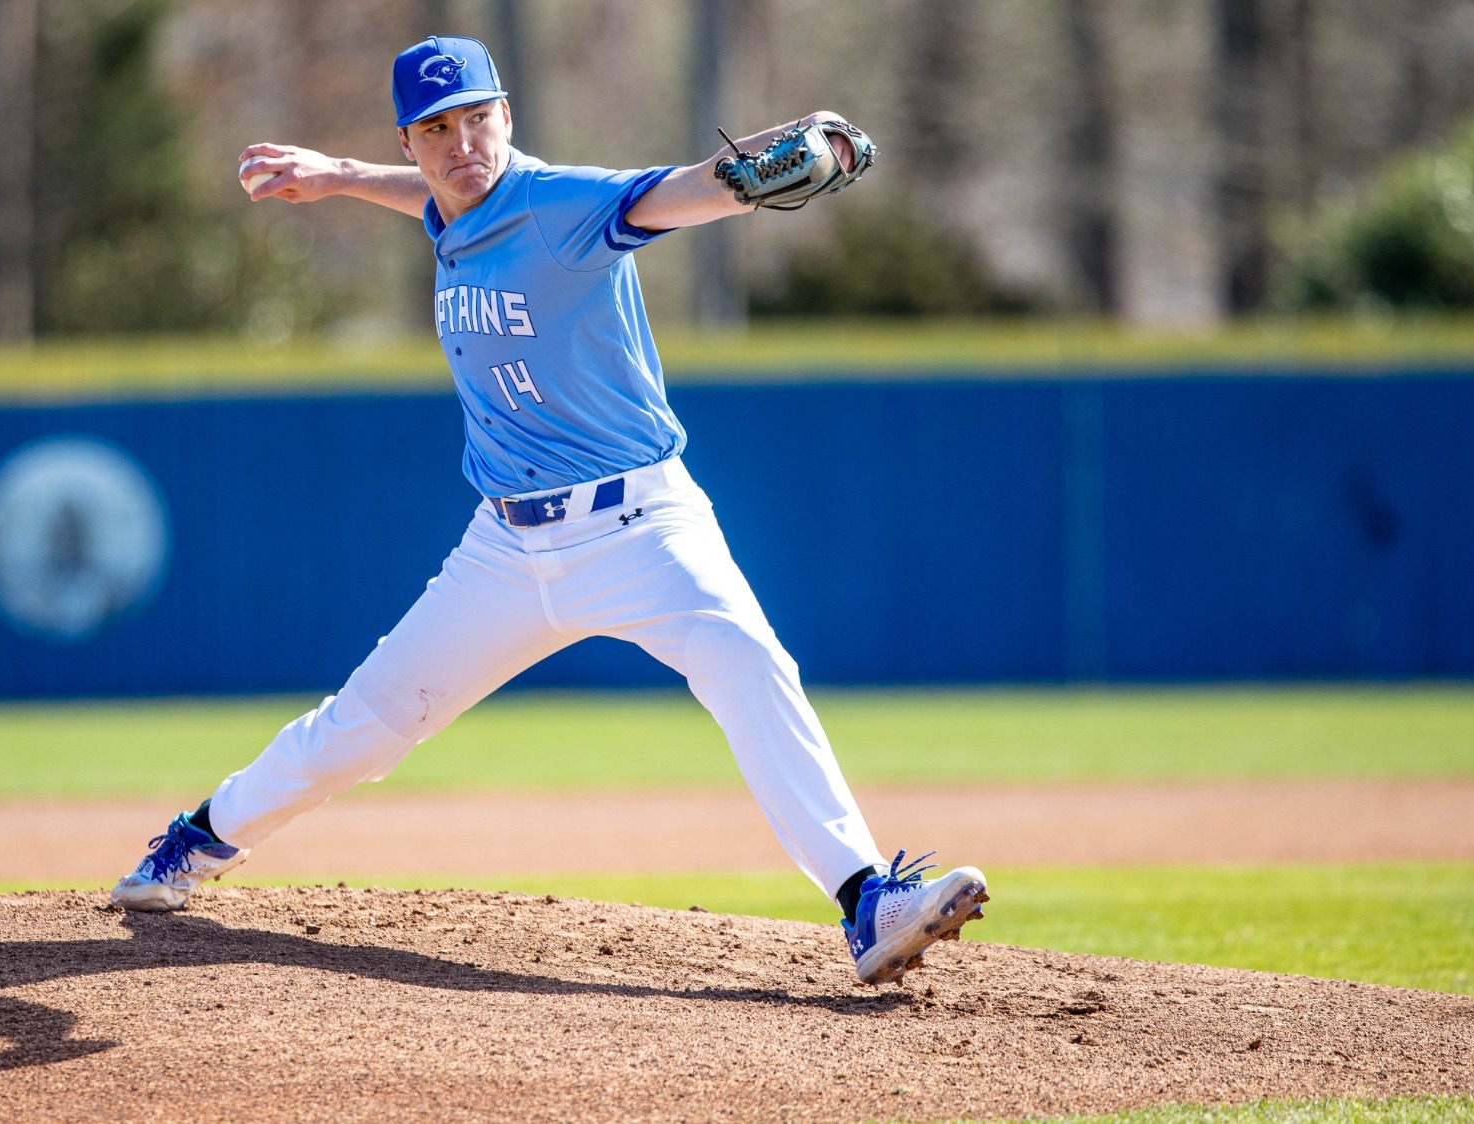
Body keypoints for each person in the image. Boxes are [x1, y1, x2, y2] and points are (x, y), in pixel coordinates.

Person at [111, 35, 987, 986]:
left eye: (478, 118)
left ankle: (868, 901)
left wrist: (757, 171)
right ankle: (197, 841)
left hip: (643, 529)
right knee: (363, 724)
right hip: (504, 552)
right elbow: (437, 201)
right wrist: (332, 177)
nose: (462, 143)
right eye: (436, 128)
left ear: (508, 117)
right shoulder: (450, 208)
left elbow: (682, 191)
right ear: (411, 141)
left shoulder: (565, 206)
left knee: (749, 666)